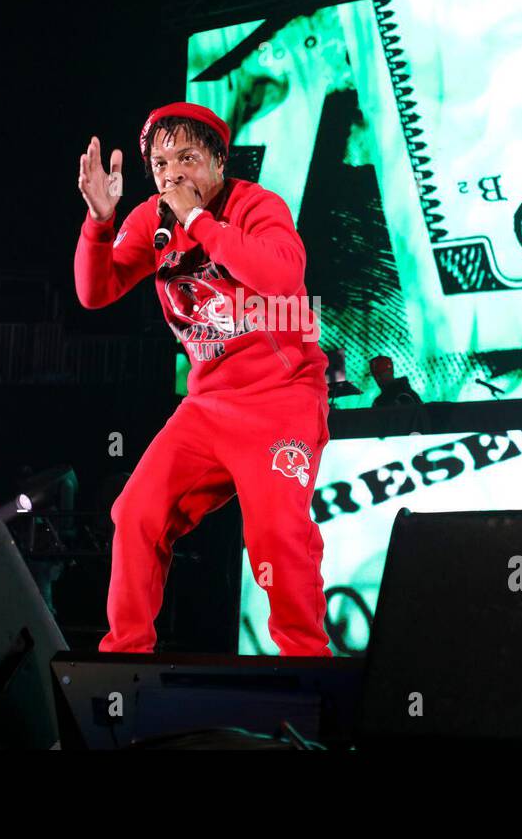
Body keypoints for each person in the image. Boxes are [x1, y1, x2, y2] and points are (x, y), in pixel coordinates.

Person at [75, 101, 332, 656]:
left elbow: (282, 276)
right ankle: (125, 660)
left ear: (218, 161)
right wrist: (99, 224)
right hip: (208, 406)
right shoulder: (150, 219)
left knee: (275, 533)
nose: (172, 174)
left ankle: (308, 665)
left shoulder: (256, 205)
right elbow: (96, 292)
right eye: (161, 163)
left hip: (281, 398)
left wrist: (199, 221)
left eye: (187, 158)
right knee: (135, 513)